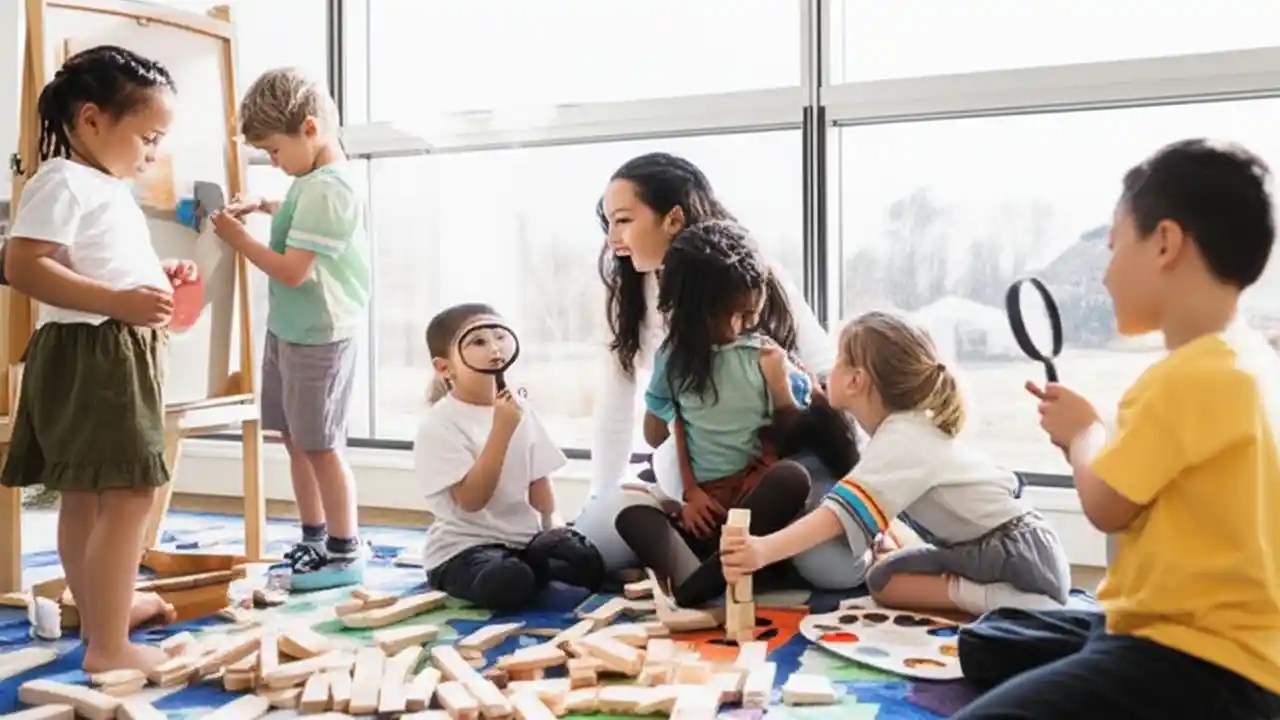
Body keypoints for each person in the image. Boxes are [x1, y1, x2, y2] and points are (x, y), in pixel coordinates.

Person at [954, 140, 1280, 718]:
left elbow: (1107, 505)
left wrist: (1083, 435)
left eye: (1112, 246)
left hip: (1196, 660)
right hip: (1250, 654)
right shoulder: (1254, 362)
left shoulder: (1184, 377)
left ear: (1165, 242)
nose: (1104, 275)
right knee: (995, 638)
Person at [574, 152, 864, 591]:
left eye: (624, 220)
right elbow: (620, 411)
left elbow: (826, 370)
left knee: (835, 570)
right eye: (608, 222)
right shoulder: (631, 296)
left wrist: (864, 482)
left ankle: (724, 559)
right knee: (593, 539)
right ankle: (727, 551)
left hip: (779, 459)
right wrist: (603, 490)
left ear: (673, 219)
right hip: (701, 469)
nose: (612, 237)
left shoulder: (753, 275)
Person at [1, 45, 191, 672]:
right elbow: (23, 265)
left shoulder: (97, 184)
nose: (153, 153)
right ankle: (108, 646)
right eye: (148, 137)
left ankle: (102, 611)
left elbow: (92, 259)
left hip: (104, 346)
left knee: (86, 497)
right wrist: (118, 299)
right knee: (128, 494)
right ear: (90, 120)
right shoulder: (61, 179)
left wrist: (157, 275)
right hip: (98, 353)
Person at [722, 311, 1071, 615]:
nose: (830, 368)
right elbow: (879, 503)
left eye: (839, 359)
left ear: (857, 380)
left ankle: (1013, 601)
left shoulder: (904, 437)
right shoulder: (902, 432)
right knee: (884, 579)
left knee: (885, 578)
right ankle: (999, 595)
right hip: (993, 549)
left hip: (1020, 555)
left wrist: (762, 550)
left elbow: (837, 514)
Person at [615, 220, 857, 607]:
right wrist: (690, 495)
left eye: (747, 316)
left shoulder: (763, 356)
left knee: (791, 478)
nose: (735, 327)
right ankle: (717, 572)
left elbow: (795, 431)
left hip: (754, 500)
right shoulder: (674, 360)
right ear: (688, 309)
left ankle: (699, 582)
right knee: (632, 515)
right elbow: (658, 434)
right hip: (706, 507)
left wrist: (780, 386)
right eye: (723, 315)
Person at [211, 67, 370, 588]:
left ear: (309, 128)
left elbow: (293, 270)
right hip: (293, 330)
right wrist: (264, 205)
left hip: (319, 334)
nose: (274, 165)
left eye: (275, 152)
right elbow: (302, 214)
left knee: (319, 444)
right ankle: (314, 537)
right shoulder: (311, 184)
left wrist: (239, 239)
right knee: (296, 439)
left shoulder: (329, 189)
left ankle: (344, 551)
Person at [415, 304, 605, 611]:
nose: (494, 348)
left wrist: (553, 526)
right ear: (444, 367)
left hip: (521, 542)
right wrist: (501, 430)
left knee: (587, 564)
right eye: (478, 342)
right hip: (464, 548)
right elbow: (472, 500)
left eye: (500, 337)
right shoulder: (441, 424)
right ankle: (522, 580)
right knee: (508, 580)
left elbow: (539, 483)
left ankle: (531, 575)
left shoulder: (520, 410)